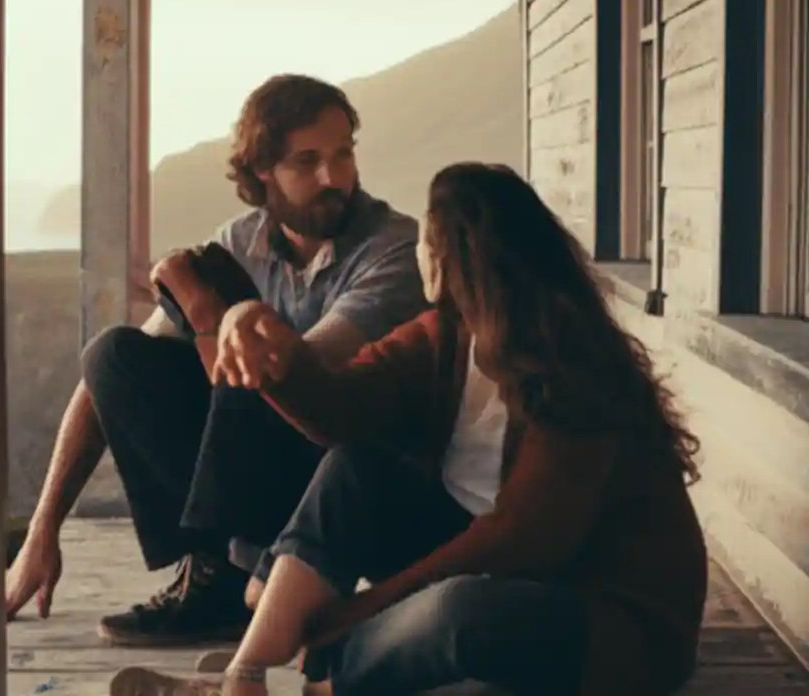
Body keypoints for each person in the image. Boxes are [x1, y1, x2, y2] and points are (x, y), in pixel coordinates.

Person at [111, 162, 709, 695]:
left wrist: (365, 608)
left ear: (457, 254)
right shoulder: (447, 337)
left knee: (457, 611)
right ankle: (244, 674)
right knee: (359, 467)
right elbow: (338, 406)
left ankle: (318, 684)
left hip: (605, 618)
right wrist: (258, 338)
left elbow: (522, 541)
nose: (418, 249)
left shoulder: (574, 371)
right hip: (496, 562)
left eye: (427, 236)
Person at [4, 73, 429, 647]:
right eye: (307, 162)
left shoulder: (393, 247)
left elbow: (305, 375)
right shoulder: (239, 243)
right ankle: (220, 570)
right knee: (114, 354)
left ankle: (232, 576)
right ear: (262, 172)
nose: (334, 178)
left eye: (343, 155)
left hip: (348, 483)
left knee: (246, 344)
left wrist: (208, 309)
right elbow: (103, 388)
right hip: (263, 475)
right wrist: (42, 529)